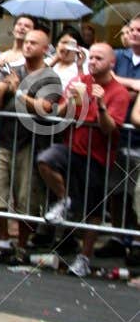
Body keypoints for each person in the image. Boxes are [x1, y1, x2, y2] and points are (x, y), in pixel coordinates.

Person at [36, 41, 132, 275]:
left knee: (93, 211)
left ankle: (84, 258)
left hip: (97, 156)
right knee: (45, 160)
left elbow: (110, 129)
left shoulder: (118, 92)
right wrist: (68, 101)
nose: (93, 62)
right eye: (91, 58)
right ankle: (66, 200)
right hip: (73, 148)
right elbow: (62, 114)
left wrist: (100, 106)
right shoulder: (81, 82)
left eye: (99, 58)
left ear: (112, 63)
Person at [0, 28, 57, 259]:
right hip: (3, 139)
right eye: (26, 42)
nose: (27, 45)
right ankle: (3, 242)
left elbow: (45, 108)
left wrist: (20, 92)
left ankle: (22, 245)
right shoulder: (12, 70)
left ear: (45, 49)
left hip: (31, 142)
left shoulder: (49, 76)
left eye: (34, 42)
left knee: (27, 199)